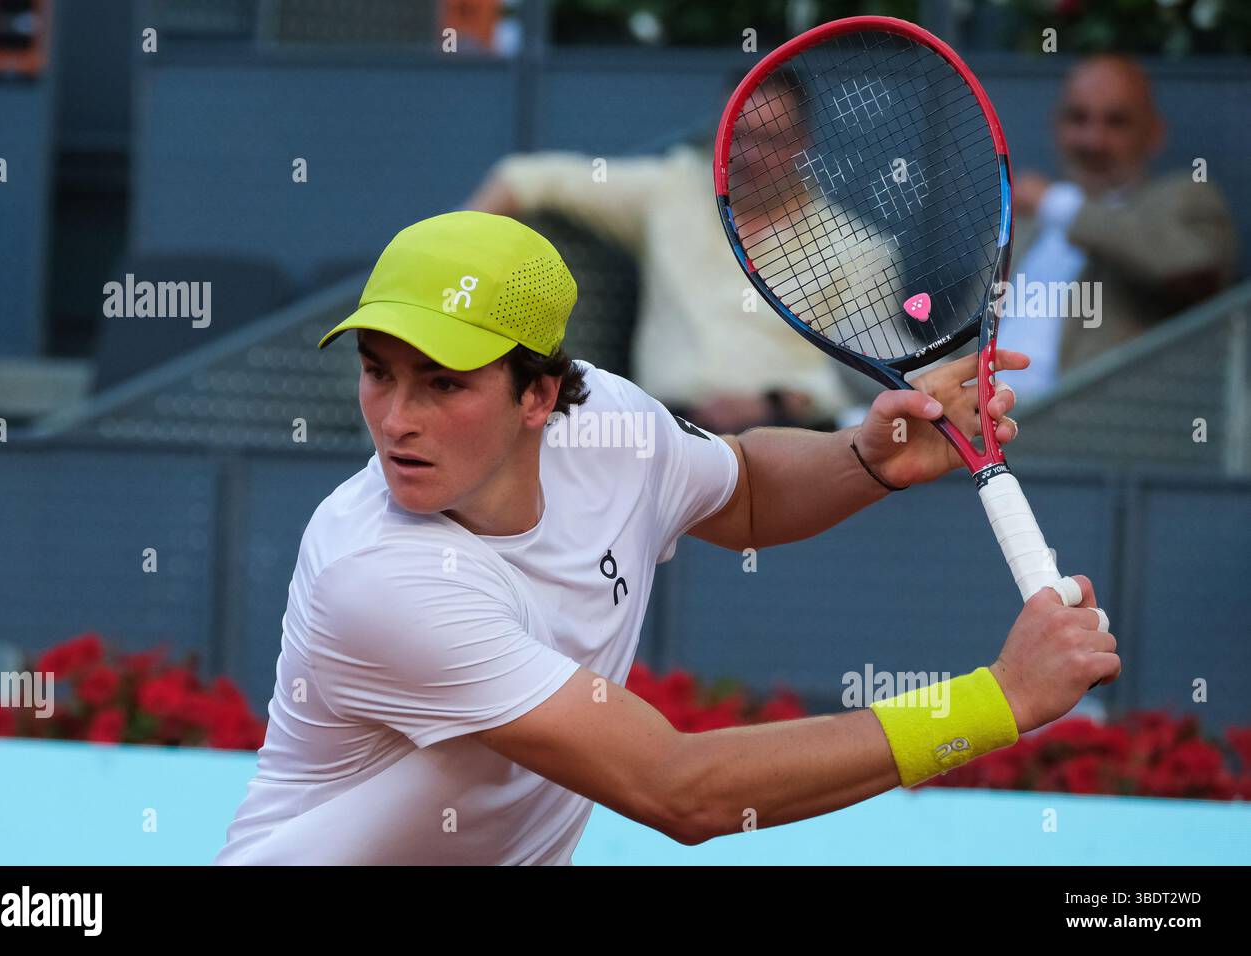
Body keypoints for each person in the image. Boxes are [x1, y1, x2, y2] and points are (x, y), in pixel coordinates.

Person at [214, 210, 1118, 865]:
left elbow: (748, 488)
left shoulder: (607, 421)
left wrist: (871, 454)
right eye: (378, 375)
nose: (395, 419)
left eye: (440, 384)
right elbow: (684, 792)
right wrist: (996, 700)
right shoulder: (381, 577)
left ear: (539, 397)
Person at [463, 76, 877, 434]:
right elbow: (526, 178)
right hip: (664, 432)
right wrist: (450, 270)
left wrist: (777, 403)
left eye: (769, 139)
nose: (749, 155)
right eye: (738, 133)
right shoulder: (672, 191)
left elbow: (863, 380)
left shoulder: (859, 250)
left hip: (793, 436)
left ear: (801, 143)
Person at [1003, 54, 1237, 402]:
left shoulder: (1181, 199)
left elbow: (1193, 268)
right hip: (977, 423)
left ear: (1154, 133)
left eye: (1116, 122)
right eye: (1078, 118)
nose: (1093, 141)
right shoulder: (1025, 222)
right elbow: (966, 333)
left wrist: (1059, 205)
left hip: (1085, 430)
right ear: (1056, 127)